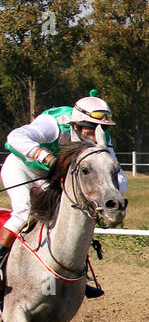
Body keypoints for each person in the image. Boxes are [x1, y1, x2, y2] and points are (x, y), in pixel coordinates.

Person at [2, 91, 120, 297]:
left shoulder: (102, 139)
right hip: (22, 168)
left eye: (102, 128)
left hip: (50, 178)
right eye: (91, 128)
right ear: (75, 125)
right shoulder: (54, 123)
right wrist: (46, 157)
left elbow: (118, 177)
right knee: (24, 211)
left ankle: (78, 276)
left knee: (73, 216)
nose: (97, 135)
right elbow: (15, 137)